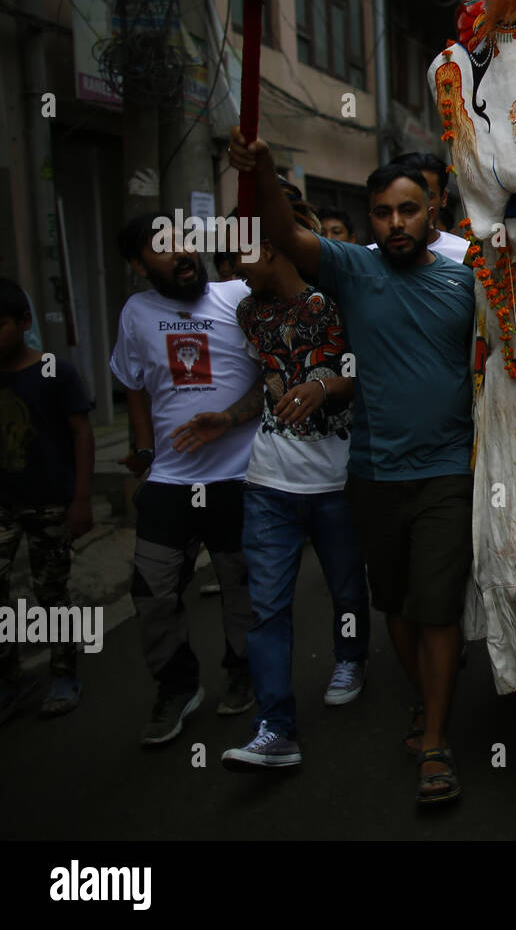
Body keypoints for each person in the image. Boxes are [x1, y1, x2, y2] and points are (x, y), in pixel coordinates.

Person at [227, 126, 475, 805]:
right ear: (372, 219)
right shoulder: (352, 269)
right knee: (394, 603)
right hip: (370, 473)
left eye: (409, 209)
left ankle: (435, 741)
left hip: (448, 472)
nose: (396, 223)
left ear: (434, 210)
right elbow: (286, 232)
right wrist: (266, 169)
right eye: (384, 213)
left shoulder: (467, 284)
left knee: (438, 606)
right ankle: (426, 701)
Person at [169, 193, 372, 771]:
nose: (231, 270)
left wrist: (328, 387)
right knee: (266, 607)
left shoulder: (337, 299)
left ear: (268, 248)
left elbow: (370, 368)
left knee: (347, 588)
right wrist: (229, 419)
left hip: (336, 479)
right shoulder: (248, 313)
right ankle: (274, 727)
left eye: (237, 256)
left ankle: (352, 655)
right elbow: (267, 378)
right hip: (267, 482)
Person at [109, 214, 261, 746]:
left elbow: (271, 378)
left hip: (238, 475)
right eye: (161, 247)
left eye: (182, 241)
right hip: (171, 480)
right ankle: (176, 687)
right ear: (137, 265)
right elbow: (131, 381)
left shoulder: (239, 298)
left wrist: (232, 420)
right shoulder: (137, 312)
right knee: (151, 591)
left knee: (239, 584)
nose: (179, 253)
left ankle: (242, 669)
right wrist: (145, 449)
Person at [0, 279, 94, 722]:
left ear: (23, 323)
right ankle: (10, 679)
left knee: (51, 591)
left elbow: (81, 433)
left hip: (50, 501)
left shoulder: (54, 370)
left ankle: (63, 671)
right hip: (4, 503)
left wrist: (80, 499)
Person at [385, 151, 471, 264]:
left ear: (444, 198)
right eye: (406, 197)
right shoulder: (369, 260)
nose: (414, 205)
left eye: (427, 197)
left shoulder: (466, 255)